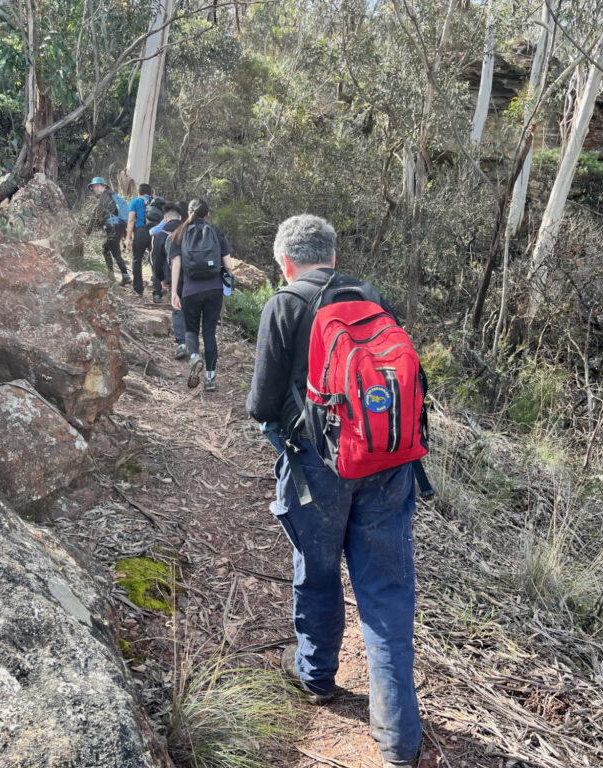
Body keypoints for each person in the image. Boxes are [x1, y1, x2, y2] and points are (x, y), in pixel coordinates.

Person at [245, 214, 421, 768]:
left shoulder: (285, 304)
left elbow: (260, 405)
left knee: (318, 576)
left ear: (284, 261)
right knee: (386, 598)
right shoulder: (372, 298)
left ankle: (317, 678)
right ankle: (399, 742)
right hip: (390, 466)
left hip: (316, 470)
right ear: (333, 257)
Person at [168, 199, 233, 392]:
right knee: (209, 333)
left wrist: (174, 292)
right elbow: (229, 266)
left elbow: (176, 265)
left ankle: (195, 357)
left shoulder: (178, 234)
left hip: (190, 291)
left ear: (187, 212)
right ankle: (211, 378)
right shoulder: (216, 233)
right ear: (206, 214)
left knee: (191, 330)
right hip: (214, 290)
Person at [151, 203, 188, 359]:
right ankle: (192, 341)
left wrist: (162, 279)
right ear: (181, 218)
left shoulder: (162, 234)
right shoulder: (188, 231)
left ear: (165, 218)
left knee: (177, 308)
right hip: (192, 276)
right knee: (190, 308)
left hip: (173, 276)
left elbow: (157, 260)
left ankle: (182, 343)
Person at [85, 177, 131, 286]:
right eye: (93, 187)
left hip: (113, 227)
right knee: (106, 249)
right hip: (119, 226)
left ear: (104, 186)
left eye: (97, 186)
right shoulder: (111, 195)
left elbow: (96, 215)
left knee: (115, 252)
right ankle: (113, 275)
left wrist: (88, 231)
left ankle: (124, 276)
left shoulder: (104, 196)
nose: (95, 189)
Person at [125, 183, 159, 297]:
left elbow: (131, 220)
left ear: (138, 193)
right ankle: (157, 293)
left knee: (137, 260)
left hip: (140, 232)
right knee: (155, 260)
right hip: (155, 233)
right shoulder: (156, 202)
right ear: (150, 193)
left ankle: (138, 290)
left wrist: (128, 238)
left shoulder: (135, 201)